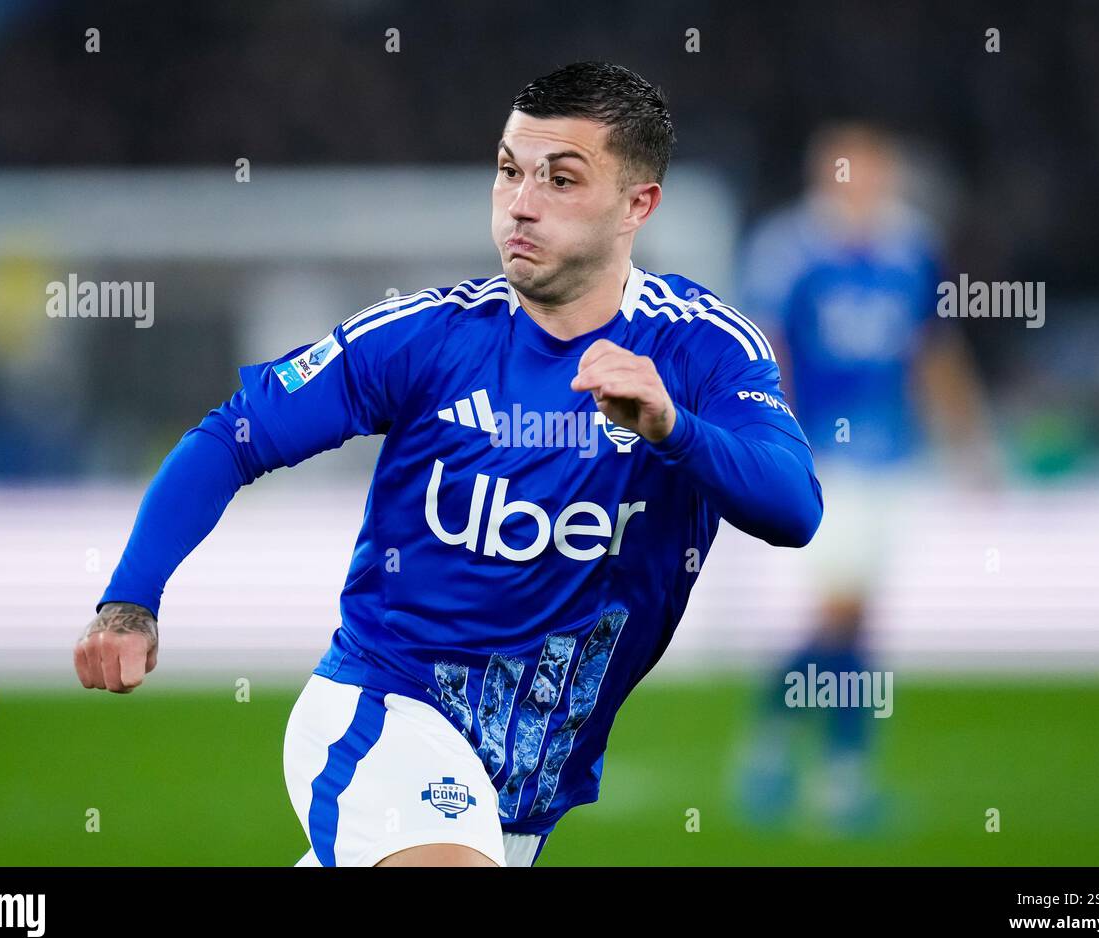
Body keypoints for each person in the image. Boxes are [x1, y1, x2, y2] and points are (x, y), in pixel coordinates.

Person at [75, 61, 824, 867]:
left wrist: (673, 428)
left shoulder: (701, 349)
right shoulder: (429, 337)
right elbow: (232, 438)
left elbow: (794, 508)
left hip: (524, 789)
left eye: (561, 180)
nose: (521, 204)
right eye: (509, 171)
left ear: (637, 204)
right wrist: (130, 600)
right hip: (383, 709)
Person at [734, 123, 992, 831]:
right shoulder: (789, 251)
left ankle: (773, 748)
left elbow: (933, 348)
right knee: (841, 615)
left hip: (892, 459)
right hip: (822, 458)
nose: (864, 185)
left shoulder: (911, 248)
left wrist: (968, 439)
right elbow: (767, 353)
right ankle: (838, 779)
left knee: (855, 622)